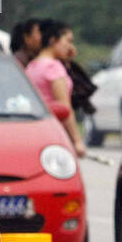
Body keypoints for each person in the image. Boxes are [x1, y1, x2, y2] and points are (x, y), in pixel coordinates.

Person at [25, 19, 87, 156]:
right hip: (55, 133)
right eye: (68, 41)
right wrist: (77, 140)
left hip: (36, 132)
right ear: (53, 40)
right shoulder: (53, 68)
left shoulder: (32, 66)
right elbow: (65, 107)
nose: (71, 47)